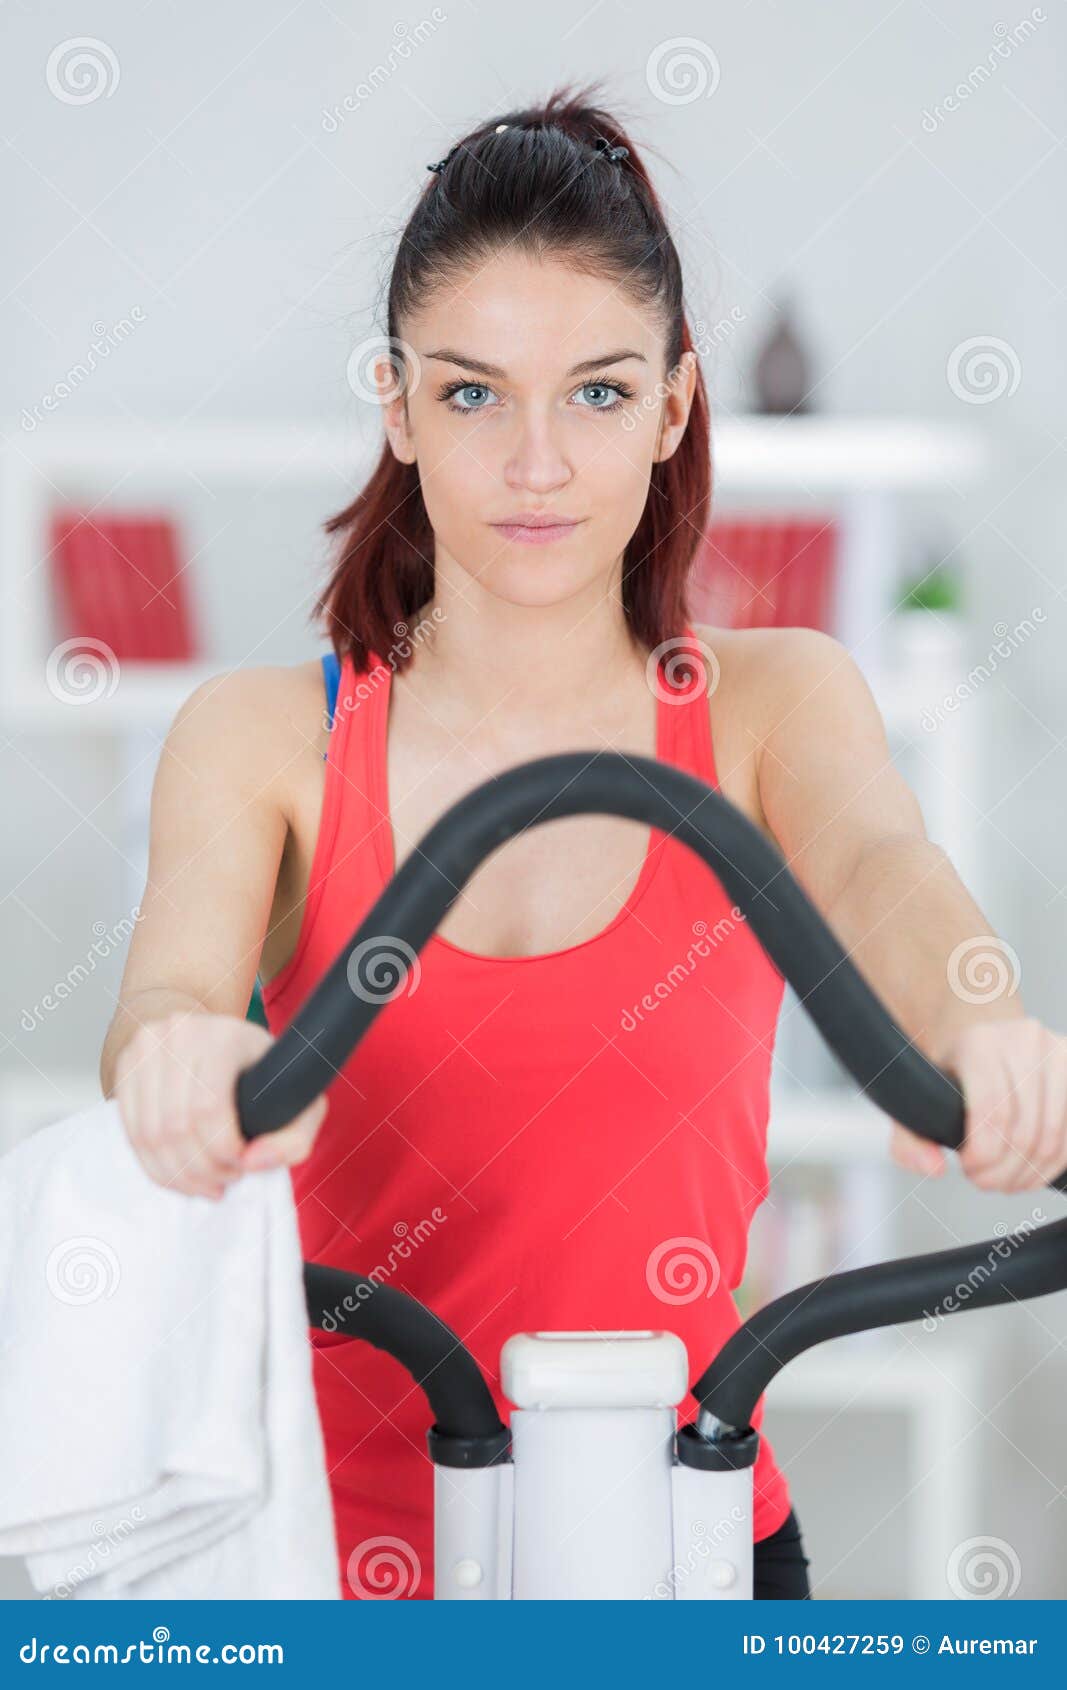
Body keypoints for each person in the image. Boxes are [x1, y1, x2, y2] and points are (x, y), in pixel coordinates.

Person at [100, 88, 1067, 1603]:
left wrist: (982, 1023)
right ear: (400, 407)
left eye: (599, 394)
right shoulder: (262, 737)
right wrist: (172, 1055)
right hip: (333, 1573)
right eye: (476, 395)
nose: (536, 462)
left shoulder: (771, 705)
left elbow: (883, 869)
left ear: (677, 406)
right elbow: (168, 992)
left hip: (694, 1553)